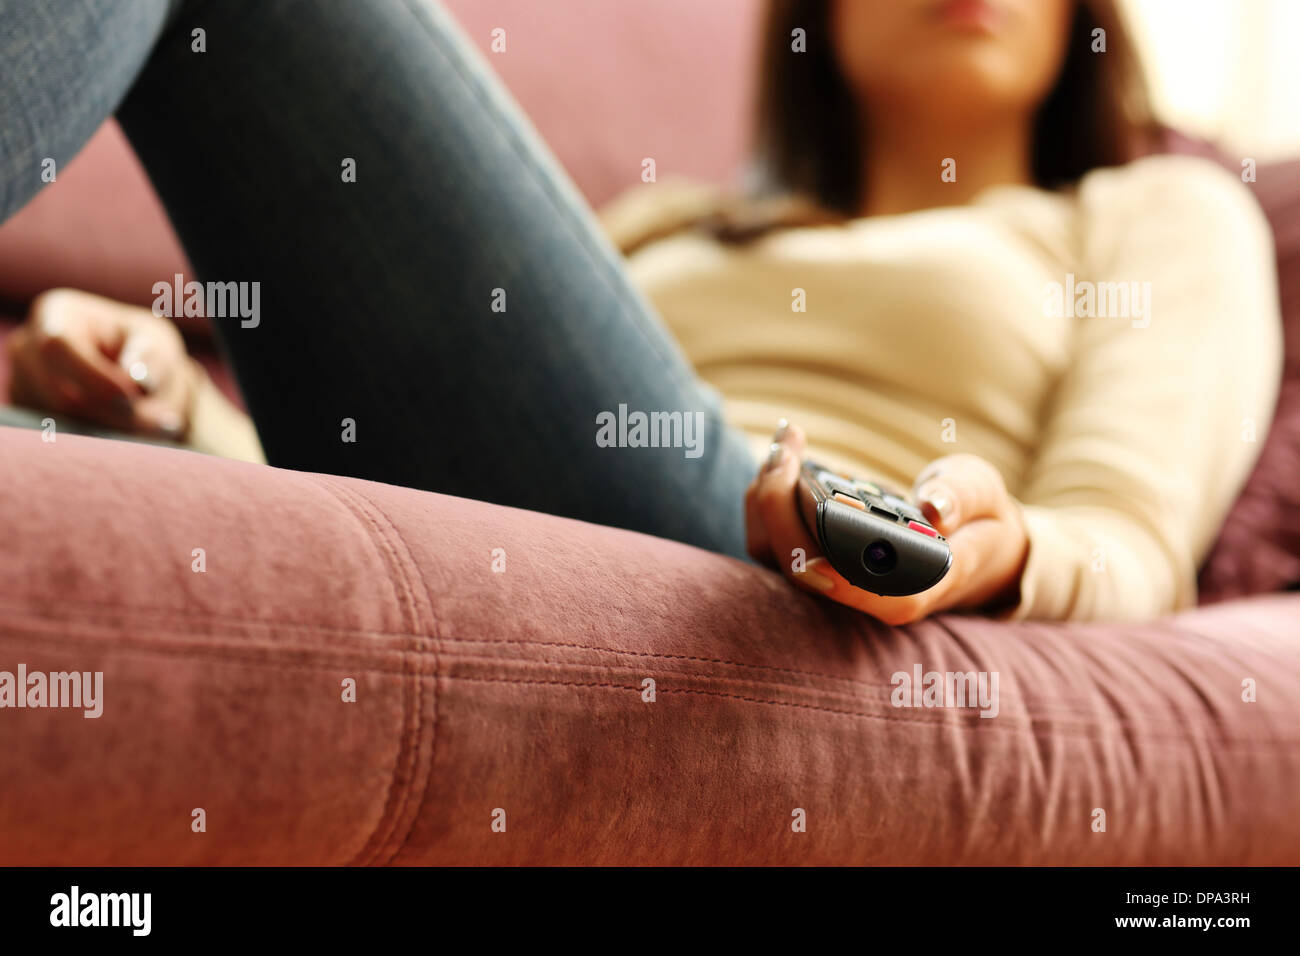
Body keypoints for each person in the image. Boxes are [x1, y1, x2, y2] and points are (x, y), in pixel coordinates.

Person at [1, 0, 1280, 623]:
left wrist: (987, 553)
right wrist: (172, 408)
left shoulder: (1151, 211)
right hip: (556, 508)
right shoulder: (674, 225)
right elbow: (397, 470)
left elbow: (1125, 538)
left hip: (775, 556)